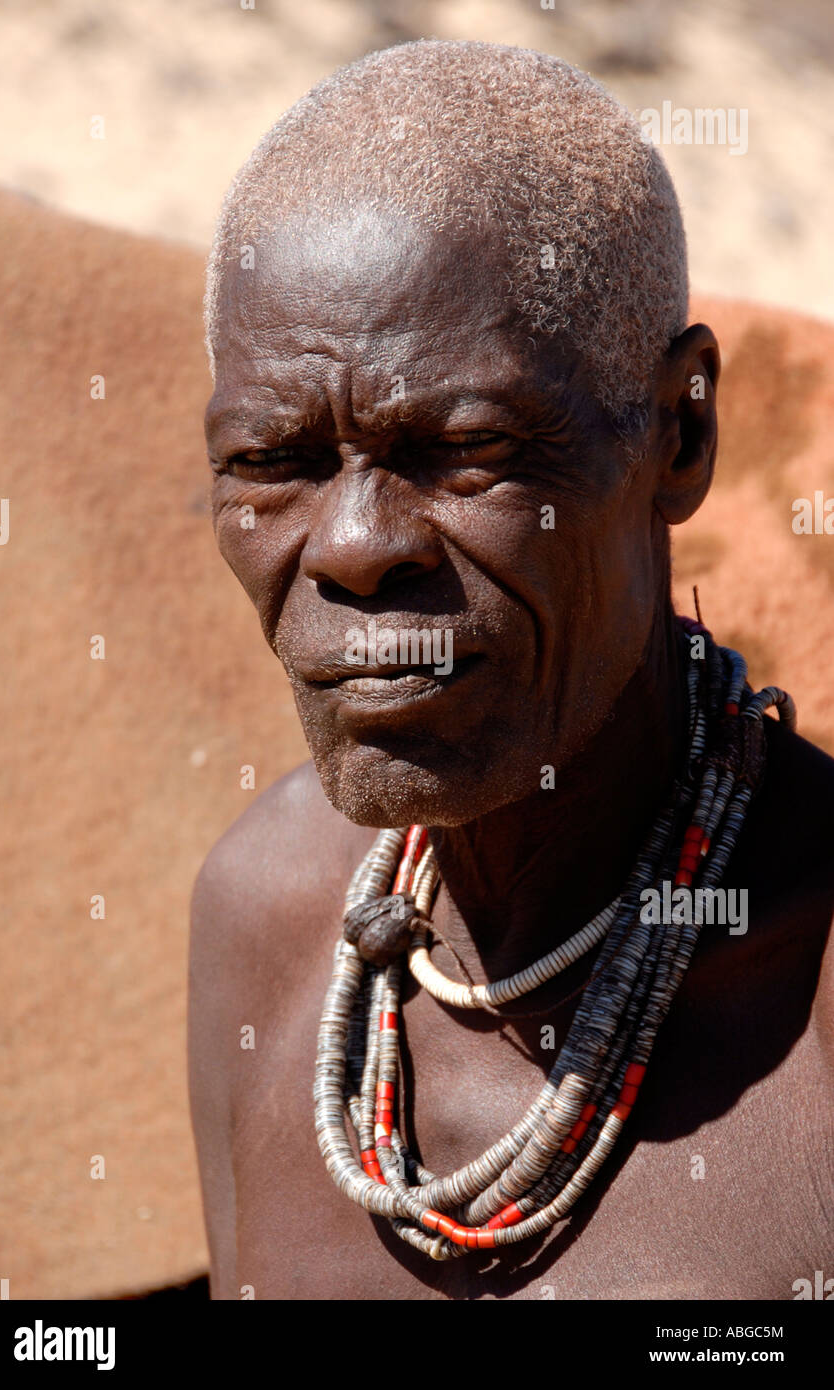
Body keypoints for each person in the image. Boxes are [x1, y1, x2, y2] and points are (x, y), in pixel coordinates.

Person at [189, 40, 834, 1299]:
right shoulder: (263, 917)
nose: (359, 547)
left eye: (466, 449)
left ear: (680, 432)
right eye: (275, 462)